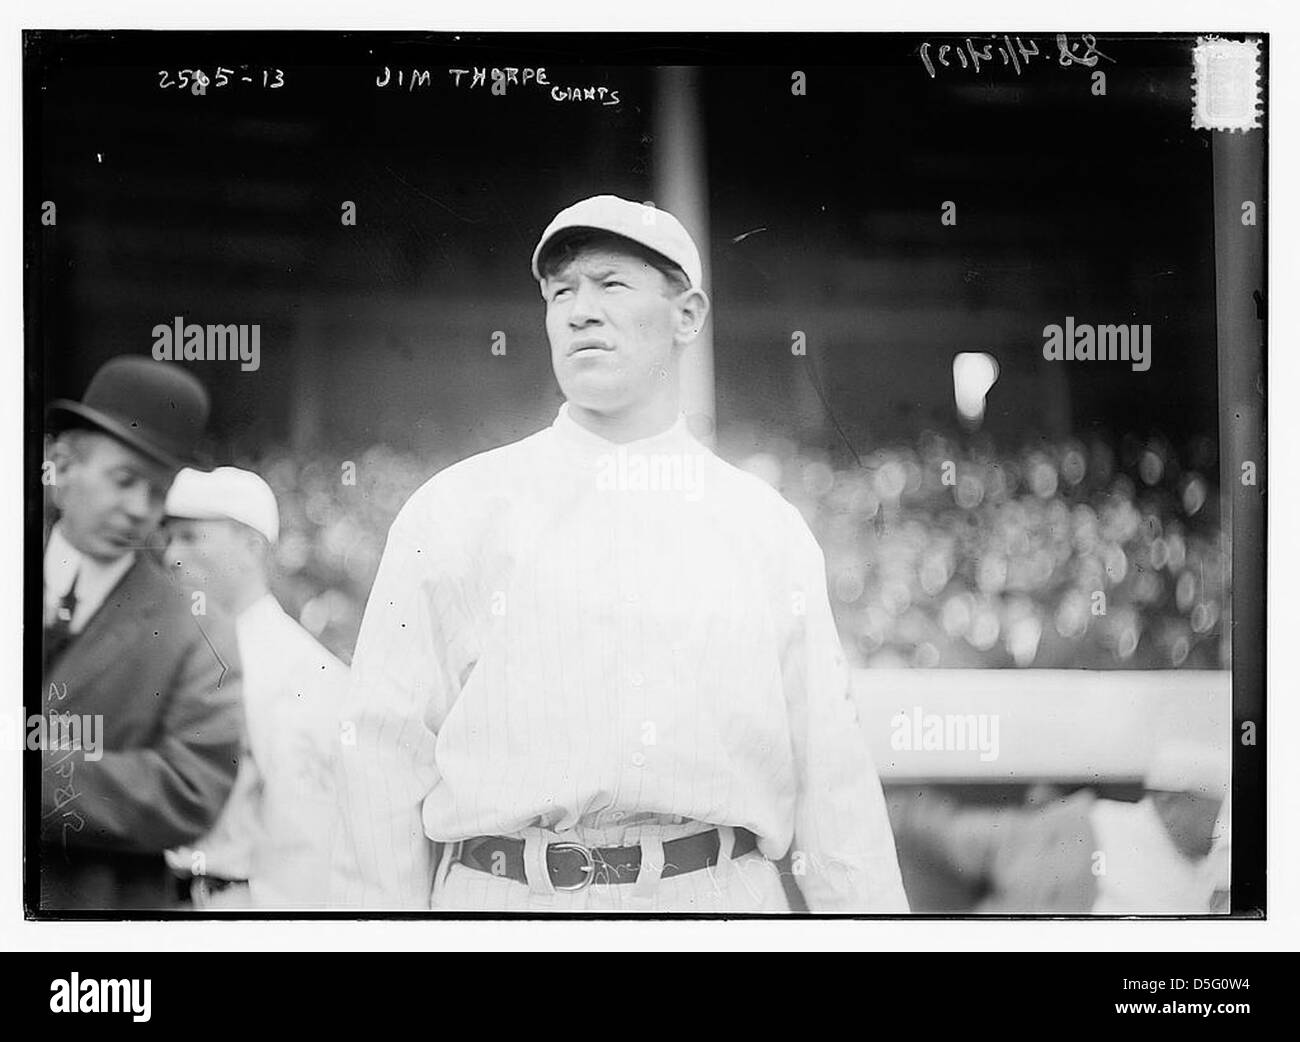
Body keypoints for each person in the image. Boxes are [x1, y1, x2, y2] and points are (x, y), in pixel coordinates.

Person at [333, 194, 908, 912]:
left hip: (712, 894)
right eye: (560, 291)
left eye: (611, 284)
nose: (579, 310)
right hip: (505, 898)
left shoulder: (764, 525)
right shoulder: (457, 507)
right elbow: (382, 759)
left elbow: (832, 779)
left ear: (687, 314)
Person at [39, 355, 243, 911]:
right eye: (124, 480)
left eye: (157, 494)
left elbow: (191, 789)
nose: (138, 510)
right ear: (60, 466)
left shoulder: (199, 627)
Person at [163, 466, 349, 909]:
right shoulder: (179, 651)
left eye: (191, 537)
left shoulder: (298, 670)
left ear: (250, 547)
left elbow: (305, 845)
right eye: (170, 537)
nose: (170, 554)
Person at [894, 739, 1229, 914]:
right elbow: (939, 831)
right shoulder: (1094, 826)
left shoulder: (1215, 880)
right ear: (1173, 801)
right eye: (1217, 809)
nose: (1224, 823)